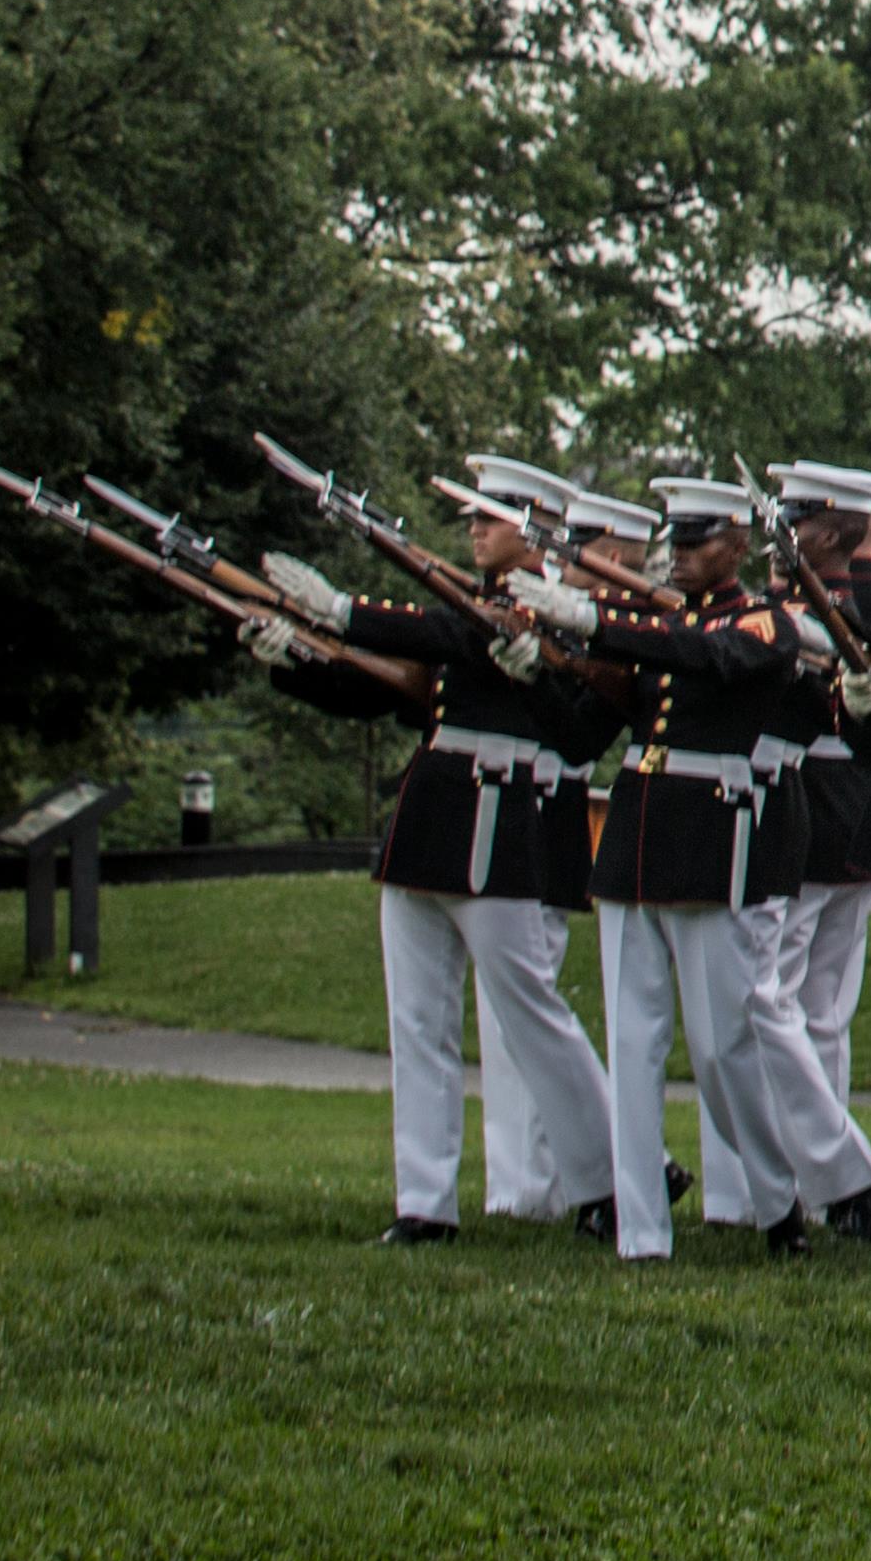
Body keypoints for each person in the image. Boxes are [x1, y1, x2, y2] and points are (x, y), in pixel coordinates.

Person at [249, 457, 617, 1243]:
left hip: (495, 820)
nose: (474, 528)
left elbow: (447, 636)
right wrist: (298, 655)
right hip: (431, 812)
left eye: (490, 516)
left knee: (529, 1012)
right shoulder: (471, 608)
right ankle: (424, 1201)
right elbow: (395, 685)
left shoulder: (550, 613)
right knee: (417, 1021)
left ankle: (615, 1173)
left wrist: (344, 608)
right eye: (473, 517)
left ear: (534, 529)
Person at [510, 476, 815, 1260]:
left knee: (721, 1048)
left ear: (739, 544)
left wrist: (596, 623)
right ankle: (641, 1227)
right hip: (636, 832)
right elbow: (584, 736)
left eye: (697, 540)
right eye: (673, 541)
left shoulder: (766, 622)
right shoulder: (655, 627)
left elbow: (709, 655)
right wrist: (539, 666)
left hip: (709, 834)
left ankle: (777, 1200)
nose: (680, 554)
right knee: (634, 1042)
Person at [765, 465, 871, 1234]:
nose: (784, 531)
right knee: (821, 1009)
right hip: (858, 811)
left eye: (798, 517)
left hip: (805, 801)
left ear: (834, 527)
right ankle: (826, 1185)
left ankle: (827, 1174)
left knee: (783, 999)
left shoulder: (809, 605)